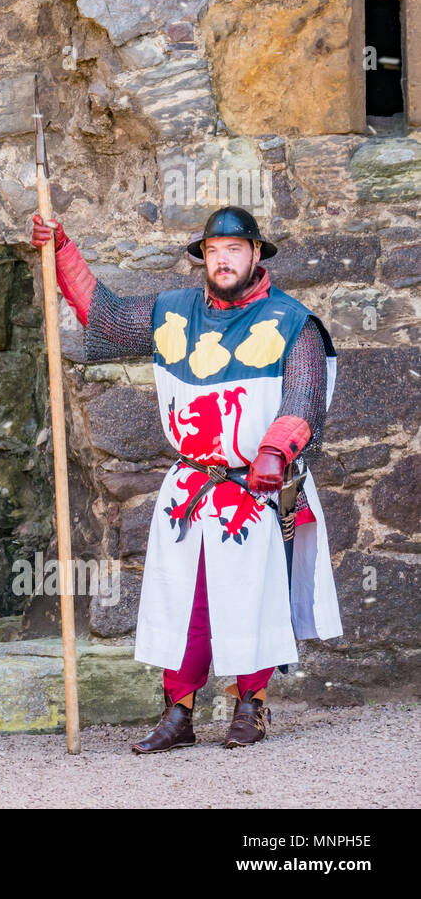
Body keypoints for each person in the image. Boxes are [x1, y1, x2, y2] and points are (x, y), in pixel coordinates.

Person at [31, 205, 341, 751]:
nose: (223, 262)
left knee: (254, 595)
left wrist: (275, 449)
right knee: (186, 600)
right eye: (213, 252)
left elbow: (304, 397)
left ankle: (252, 706)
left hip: (254, 486)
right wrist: (60, 250)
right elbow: (104, 318)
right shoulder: (172, 313)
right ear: (203, 257)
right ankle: (179, 713)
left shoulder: (293, 322)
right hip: (191, 486)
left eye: (234, 251)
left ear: (255, 254)